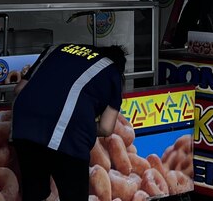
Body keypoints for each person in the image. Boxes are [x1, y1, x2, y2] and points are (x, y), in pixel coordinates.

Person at [11, 44, 127, 201]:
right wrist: (82, 124)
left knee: (34, 194)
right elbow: (106, 128)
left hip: (24, 126)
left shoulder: (57, 49)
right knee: (73, 196)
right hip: (69, 137)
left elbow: (19, 90)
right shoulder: (112, 72)